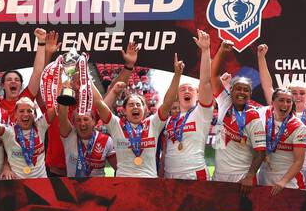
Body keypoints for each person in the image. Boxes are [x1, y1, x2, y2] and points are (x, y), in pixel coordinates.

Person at [92, 55, 183, 179]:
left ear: (145, 109)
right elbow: (98, 103)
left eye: (138, 104)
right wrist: (85, 77)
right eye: (130, 105)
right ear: (124, 110)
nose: (135, 107)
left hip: (149, 182)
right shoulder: (116, 124)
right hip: (123, 182)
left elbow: (168, 102)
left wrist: (177, 75)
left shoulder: (154, 123)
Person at [163, 30, 215, 181]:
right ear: (177, 97)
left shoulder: (202, 113)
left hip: (194, 173)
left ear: (197, 95)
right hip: (169, 174)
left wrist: (205, 51)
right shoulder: (169, 120)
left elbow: (205, 82)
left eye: (190, 89)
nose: (186, 90)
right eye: (182, 89)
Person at [255, 49, 306, 193]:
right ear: (272, 102)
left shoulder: (298, 126)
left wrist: (283, 181)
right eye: (281, 101)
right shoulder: (262, 114)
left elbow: (298, 161)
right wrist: (261, 57)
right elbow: (267, 85)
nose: (285, 105)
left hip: (289, 183)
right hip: (264, 179)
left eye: (289, 101)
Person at [56, 80, 117, 179]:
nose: (82, 123)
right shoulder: (69, 135)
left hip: (98, 190)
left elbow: (118, 167)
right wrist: (66, 89)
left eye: (85, 119)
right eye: (78, 120)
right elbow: (62, 115)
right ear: (74, 123)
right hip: (74, 189)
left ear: (94, 121)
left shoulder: (106, 140)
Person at [0, 94, 50, 178]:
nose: (26, 114)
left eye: (29, 111)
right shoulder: (9, 132)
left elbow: (52, 111)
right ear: (15, 114)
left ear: (34, 114)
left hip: (41, 183)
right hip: (18, 184)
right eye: (21, 111)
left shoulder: (40, 126)